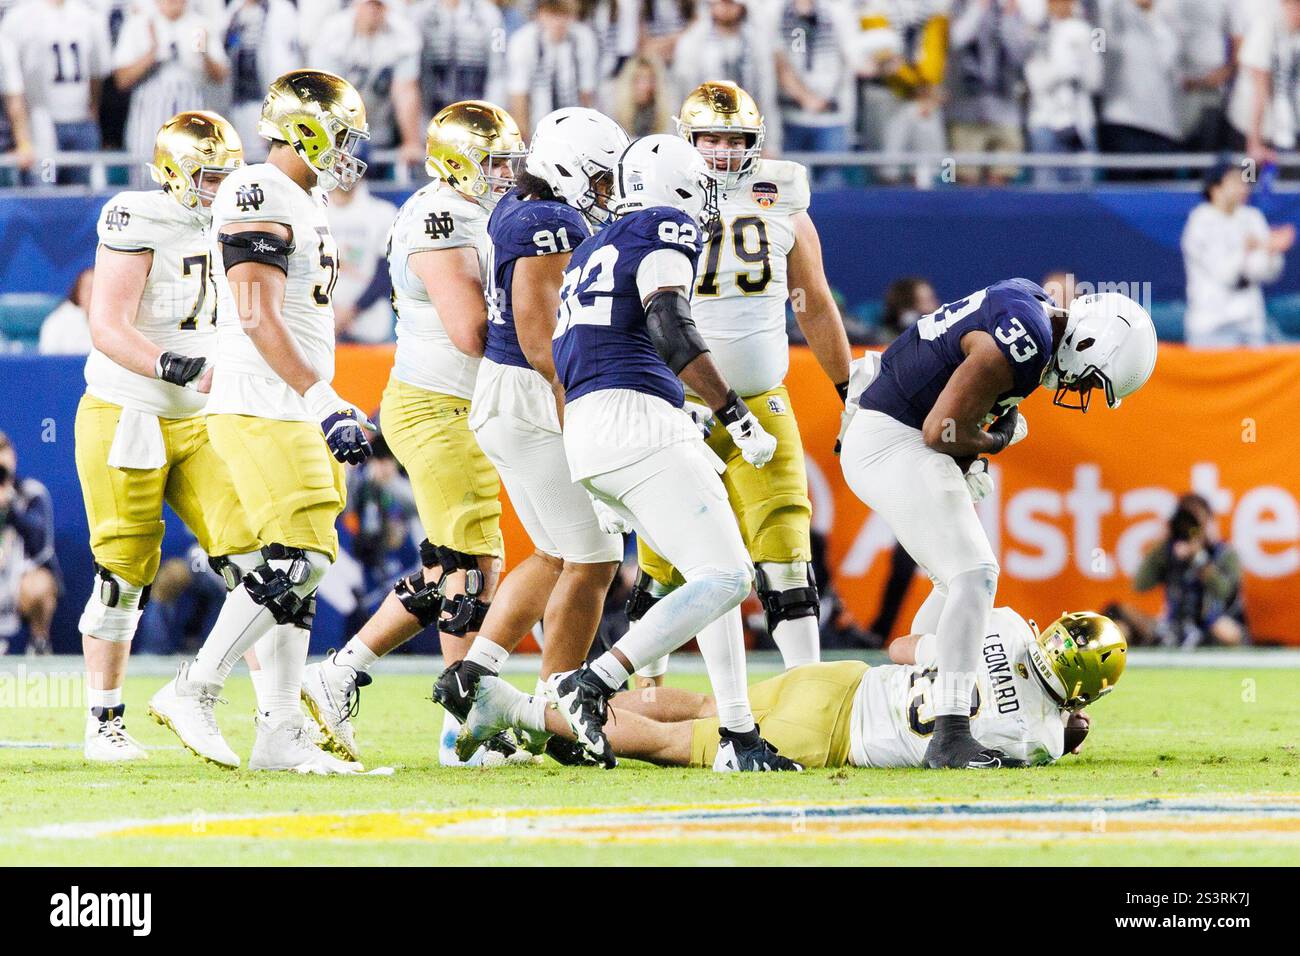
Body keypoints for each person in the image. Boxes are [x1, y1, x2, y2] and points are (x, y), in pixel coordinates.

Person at [548, 132, 798, 773]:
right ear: (679, 186)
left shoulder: (590, 249)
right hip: (637, 427)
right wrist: (733, 411)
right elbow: (668, 322)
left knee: (709, 575)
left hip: (592, 426)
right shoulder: (663, 224)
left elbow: (592, 349)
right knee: (731, 577)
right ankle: (595, 681)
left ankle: (739, 738)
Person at [148, 70, 374, 775]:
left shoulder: (299, 197)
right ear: (307, 130)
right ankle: (196, 687)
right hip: (262, 402)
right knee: (299, 560)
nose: (349, 151)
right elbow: (254, 315)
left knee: (297, 572)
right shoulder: (260, 190)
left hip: (284, 402)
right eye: (342, 135)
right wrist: (323, 398)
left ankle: (279, 733)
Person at [839, 280, 1157, 768]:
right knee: (975, 574)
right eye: (1091, 381)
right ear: (1089, 342)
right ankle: (949, 732)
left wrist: (981, 440)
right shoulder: (1028, 340)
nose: (1080, 390)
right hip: (892, 438)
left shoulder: (1031, 307)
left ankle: (917, 684)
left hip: (892, 429)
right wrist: (995, 440)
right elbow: (942, 430)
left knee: (957, 582)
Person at [299, 100, 527, 766]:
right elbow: (472, 332)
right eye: (492, 162)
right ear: (458, 162)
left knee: (445, 568)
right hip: (438, 405)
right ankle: (466, 723)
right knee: (472, 566)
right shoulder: (441, 216)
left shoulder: (476, 208)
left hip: (455, 404)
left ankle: (339, 672)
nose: (505, 174)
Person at [626, 81, 851, 690]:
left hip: (759, 394)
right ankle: (646, 689)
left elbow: (814, 302)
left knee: (785, 535)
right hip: (677, 402)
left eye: (735, 140)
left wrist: (846, 389)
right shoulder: (648, 193)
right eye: (711, 139)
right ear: (684, 140)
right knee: (663, 555)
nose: (723, 152)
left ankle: (808, 688)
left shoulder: (780, 195)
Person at [427, 107, 629, 763]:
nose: (606, 193)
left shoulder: (525, 207)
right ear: (569, 168)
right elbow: (546, 344)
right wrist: (585, 428)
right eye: (599, 178)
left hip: (508, 395)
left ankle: (477, 672)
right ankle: (557, 710)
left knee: (551, 553)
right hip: (530, 396)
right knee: (595, 557)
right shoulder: (548, 219)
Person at [73, 111, 259, 762]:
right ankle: (104, 723)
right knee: (123, 574)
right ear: (175, 173)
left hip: (202, 417)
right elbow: (107, 324)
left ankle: (274, 717)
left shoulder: (237, 219)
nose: (220, 188)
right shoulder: (135, 216)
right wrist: (178, 366)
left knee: (258, 558)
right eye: (208, 176)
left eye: (227, 175)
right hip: (130, 412)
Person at [459, 607, 1124, 769]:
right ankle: (516, 709)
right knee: (674, 742)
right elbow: (1047, 735)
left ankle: (532, 713)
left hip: (841, 683)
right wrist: (1067, 730)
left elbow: (900, 646)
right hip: (833, 737)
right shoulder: (1038, 736)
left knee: (702, 704)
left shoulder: (1003, 625)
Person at [1182, 159, 1293, 347]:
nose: (1242, 187)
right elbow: (1225, 274)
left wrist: (1271, 251)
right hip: (1211, 327)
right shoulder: (1200, 222)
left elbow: (1265, 271)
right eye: (1233, 181)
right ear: (1215, 189)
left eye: (1242, 181)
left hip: (1251, 325)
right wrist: (1250, 248)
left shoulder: (1252, 217)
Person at [113, 0, 230, 179]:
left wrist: (203, 53)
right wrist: (152, 53)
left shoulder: (198, 25)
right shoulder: (141, 23)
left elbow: (221, 75)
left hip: (190, 108)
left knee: (193, 178)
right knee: (146, 177)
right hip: (149, 112)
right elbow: (121, 80)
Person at [1113, 494, 1247, 648]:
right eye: (1186, 520)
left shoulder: (1223, 553)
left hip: (1210, 624)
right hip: (1172, 624)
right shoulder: (1168, 552)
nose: (1190, 527)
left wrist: (1199, 557)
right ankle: (1165, 642)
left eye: (1196, 520)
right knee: (1119, 620)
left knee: (1226, 631)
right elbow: (1140, 585)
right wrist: (1162, 545)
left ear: (1208, 522)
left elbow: (1225, 592)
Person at [3, 0, 111, 184]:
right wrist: (23, 139)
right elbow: (13, 86)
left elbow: (96, 74)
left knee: (82, 196)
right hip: (41, 125)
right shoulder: (18, 18)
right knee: (45, 187)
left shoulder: (89, 16)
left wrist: (92, 113)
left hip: (81, 122)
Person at [308, 0, 424, 168]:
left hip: (384, 131)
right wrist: (332, 139)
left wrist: (411, 141)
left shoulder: (403, 32)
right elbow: (326, 93)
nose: (372, 11)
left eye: (378, 5)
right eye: (368, 4)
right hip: (337, 130)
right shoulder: (333, 31)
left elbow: (405, 91)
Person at [671, 0, 779, 151]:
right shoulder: (692, 41)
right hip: (704, 134)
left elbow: (766, 96)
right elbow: (681, 97)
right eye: (722, 2)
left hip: (747, 133)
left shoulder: (757, 42)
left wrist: (770, 145)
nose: (726, 8)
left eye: (731, 3)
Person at [772, 0, 858, 188]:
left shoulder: (839, 9)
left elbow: (854, 54)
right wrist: (803, 97)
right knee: (788, 188)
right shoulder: (776, 9)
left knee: (832, 184)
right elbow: (775, 56)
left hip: (832, 115)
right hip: (788, 116)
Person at [946, 0, 1032, 185]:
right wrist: (978, 7)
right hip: (966, 111)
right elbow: (956, 40)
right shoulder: (958, 5)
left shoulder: (1011, 9)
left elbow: (1020, 54)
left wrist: (1008, 18)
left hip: (1005, 110)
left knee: (1001, 180)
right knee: (965, 180)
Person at [1095, 0, 1180, 176]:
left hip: (1164, 128)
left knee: (1162, 199)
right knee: (1124, 197)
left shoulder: (1165, 22)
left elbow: (1170, 61)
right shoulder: (1112, 20)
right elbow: (1100, 45)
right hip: (1123, 124)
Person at [1024, 0, 1102, 187]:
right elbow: (1035, 81)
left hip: (1080, 120)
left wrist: (1076, 72)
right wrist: (1062, 71)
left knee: (1084, 190)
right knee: (1045, 191)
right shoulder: (1035, 32)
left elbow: (1096, 80)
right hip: (1044, 119)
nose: (1059, 4)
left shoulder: (1088, 31)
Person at [0, 431, 59, 658]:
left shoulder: (31, 492)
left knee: (40, 585)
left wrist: (11, 508)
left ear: (12, 459)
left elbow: (42, 548)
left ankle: (39, 644)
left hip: (20, 582)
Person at [221, 0, 302, 159]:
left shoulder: (282, 9)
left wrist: (279, 112)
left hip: (267, 102)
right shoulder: (233, 10)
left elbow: (288, 64)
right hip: (237, 103)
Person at [505, 0, 599, 134]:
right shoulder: (522, 41)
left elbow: (587, 94)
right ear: (540, 13)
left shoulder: (584, 38)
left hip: (574, 124)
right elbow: (519, 96)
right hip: (537, 126)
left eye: (564, 14)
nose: (558, 22)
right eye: (552, 14)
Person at [324, 175, 396, 343]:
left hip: (371, 323)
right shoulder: (314, 212)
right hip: (323, 319)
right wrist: (332, 311)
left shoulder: (383, 212)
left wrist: (351, 311)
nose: (344, 174)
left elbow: (386, 273)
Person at [1226, 0, 1300, 160]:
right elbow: (1259, 88)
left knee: (1283, 182)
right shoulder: (1265, 25)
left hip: (1284, 133)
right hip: (1248, 131)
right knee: (1248, 177)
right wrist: (1254, 143)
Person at [414, 0, 507, 115]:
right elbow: (414, 75)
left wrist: (490, 115)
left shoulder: (492, 15)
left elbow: (499, 70)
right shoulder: (420, 14)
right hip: (433, 112)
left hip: (476, 111)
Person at [611, 54, 673, 137]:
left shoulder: (666, 111)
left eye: (650, 79)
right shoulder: (614, 110)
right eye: (639, 79)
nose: (644, 86)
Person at [38, 266, 94, 355]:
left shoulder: (117, 322)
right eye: (88, 288)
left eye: (97, 288)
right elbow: (48, 361)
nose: (92, 294)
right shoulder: (58, 321)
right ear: (78, 293)